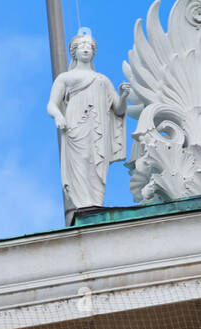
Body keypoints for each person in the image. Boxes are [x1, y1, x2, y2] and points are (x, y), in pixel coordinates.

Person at [47, 31, 130, 210]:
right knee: (81, 159)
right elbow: (52, 104)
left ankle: (95, 204)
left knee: (96, 162)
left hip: (98, 126)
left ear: (93, 52)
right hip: (75, 125)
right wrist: (59, 116)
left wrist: (123, 95)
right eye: (82, 45)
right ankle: (83, 203)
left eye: (89, 46)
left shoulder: (103, 80)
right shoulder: (65, 78)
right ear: (74, 51)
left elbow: (119, 109)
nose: (86, 49)